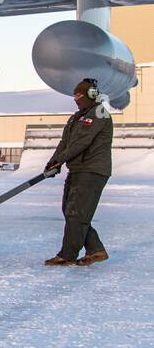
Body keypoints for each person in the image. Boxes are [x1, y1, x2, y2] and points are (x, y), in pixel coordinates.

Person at [43, 78, 113, 267]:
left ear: (91, 95)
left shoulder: (98, 113)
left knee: (77, 213)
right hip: (77, 169)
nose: (76, 98)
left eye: (79, 95)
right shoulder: (76, 117)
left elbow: (82, 142)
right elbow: (65, 143)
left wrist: (61, 160)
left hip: (92, 170)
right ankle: (96, 250)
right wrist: (54, 161)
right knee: (71, 211)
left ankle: (67, 255)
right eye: (75, 95)